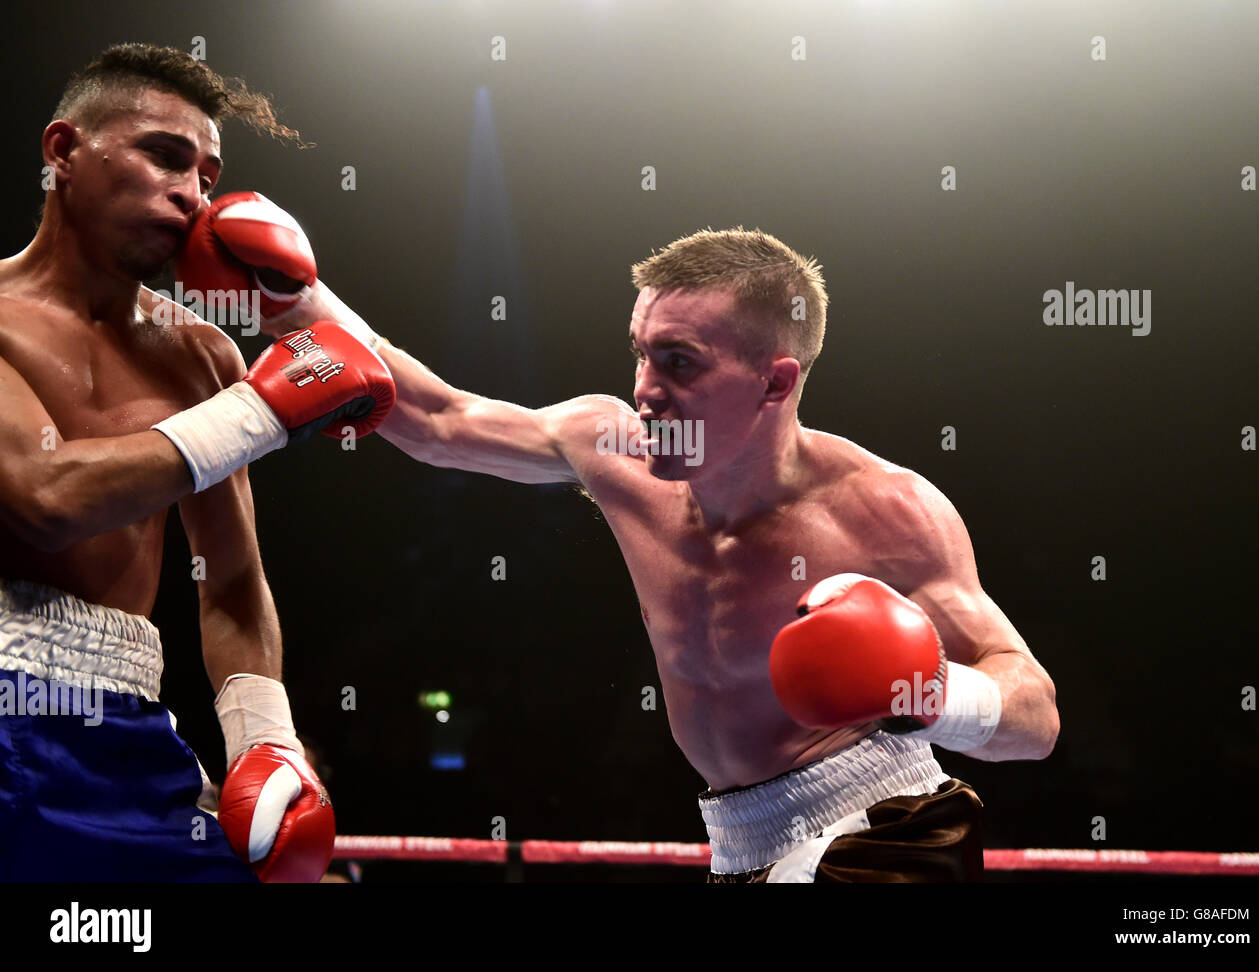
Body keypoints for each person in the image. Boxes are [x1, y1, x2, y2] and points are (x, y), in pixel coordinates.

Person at [253, 202, 1059, 880]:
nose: (644, 389)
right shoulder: (613, 447)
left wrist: (926, 689)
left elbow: (1037, 718)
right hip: (742, 843)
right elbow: (437, 419)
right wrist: (299, 297)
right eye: (641, 352)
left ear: (776, 381)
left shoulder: (886, 511)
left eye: (680, 362)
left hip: (883, 828)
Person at [0, 43, 392, 881]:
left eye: (208, 176)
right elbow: (43, 495)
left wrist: (266, 742)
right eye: (165, 156)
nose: (191, 195)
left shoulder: (203, 356)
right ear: (63, 152)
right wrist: (263, 410)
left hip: (131, 729)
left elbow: (232, 585)